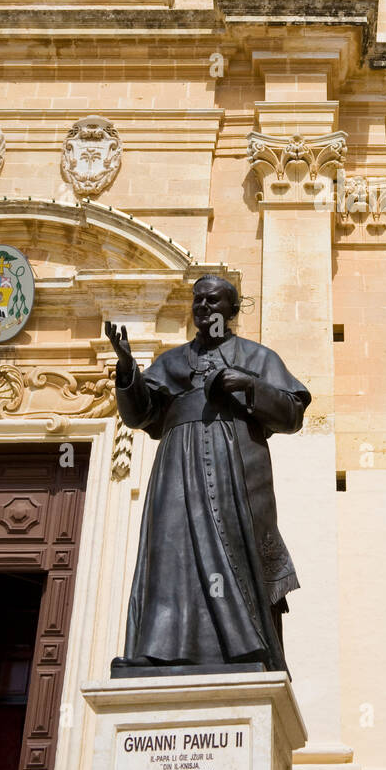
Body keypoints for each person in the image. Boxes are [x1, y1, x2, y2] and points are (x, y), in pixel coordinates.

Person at [105, 276, 310, 675]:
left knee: (234, 545)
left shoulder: (256, 356)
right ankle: (160, 649)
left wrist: (248, 384)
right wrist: (128, 371)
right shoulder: (173, 360)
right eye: (197, 300)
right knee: (170, 551)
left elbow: (292, 414)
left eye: (213, 300)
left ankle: (245, 647)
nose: (202, 306)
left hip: (235, 466)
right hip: (176, 467)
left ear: (232, 310)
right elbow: (141, 415)